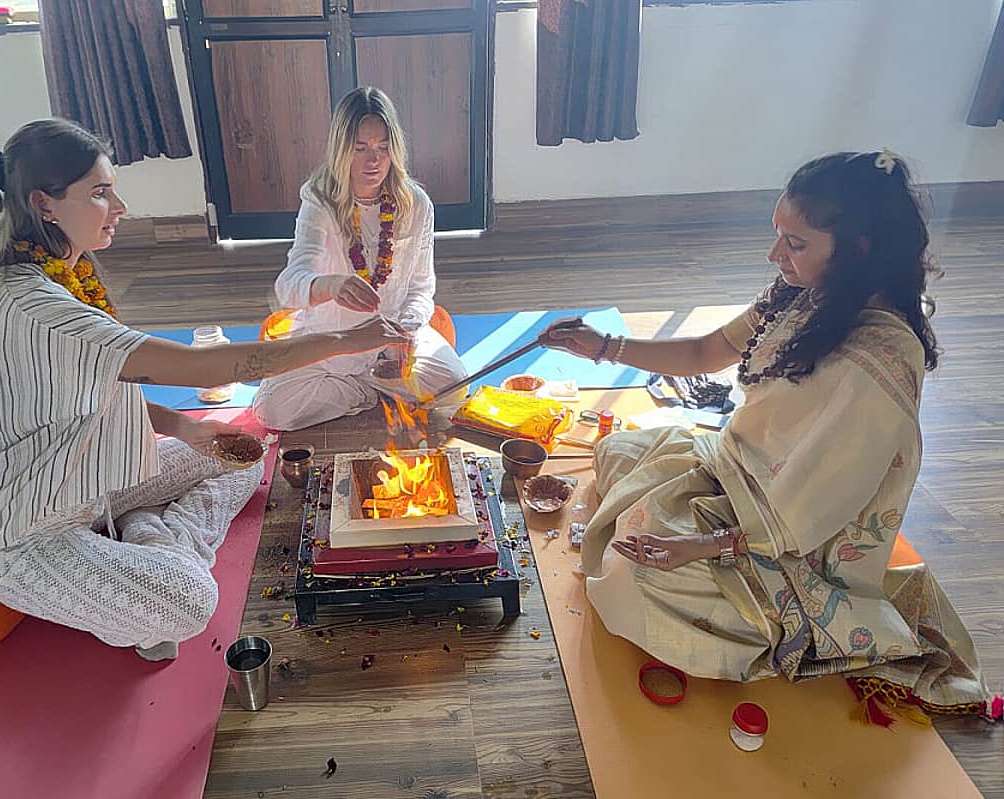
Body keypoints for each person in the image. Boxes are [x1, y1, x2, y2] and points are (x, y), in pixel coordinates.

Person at [539, 151, 991, 717]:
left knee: (635, 580)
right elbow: (707, 350)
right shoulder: (808, 291)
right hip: (737, 469)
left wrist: (696, 547)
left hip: (791, 537)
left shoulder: (881, 362)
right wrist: (602, 346)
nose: (775, 255)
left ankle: (761, 626)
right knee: (617, 450)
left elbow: (809, 515)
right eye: (778, 234)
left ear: (859, 248)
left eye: (796, 244)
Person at [0, 119, 408, 661]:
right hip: (28, 529)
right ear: (44, 204)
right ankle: (158, 537)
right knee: (190, 606)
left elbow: (94, 396)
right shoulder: (36, 309)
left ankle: (149, 536)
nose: (119, 207)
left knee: (243, 453)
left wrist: (186, 428)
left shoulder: (49, 274)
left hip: (92, 478)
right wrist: (347, 338)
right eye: (99, 193)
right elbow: (220, 366)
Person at [252, 87, 467, 431]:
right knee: (271, 410)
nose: (374, 161)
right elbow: (289, 286)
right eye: (361, 148)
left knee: (453, 384)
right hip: (329, 342)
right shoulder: (320, 200)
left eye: (383, 148)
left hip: (393, 339)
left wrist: (407, 332)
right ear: (341, 150)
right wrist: (330, 286)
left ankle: (371, 387)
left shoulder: (416, 204)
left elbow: (421, 288)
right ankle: (369, 393)